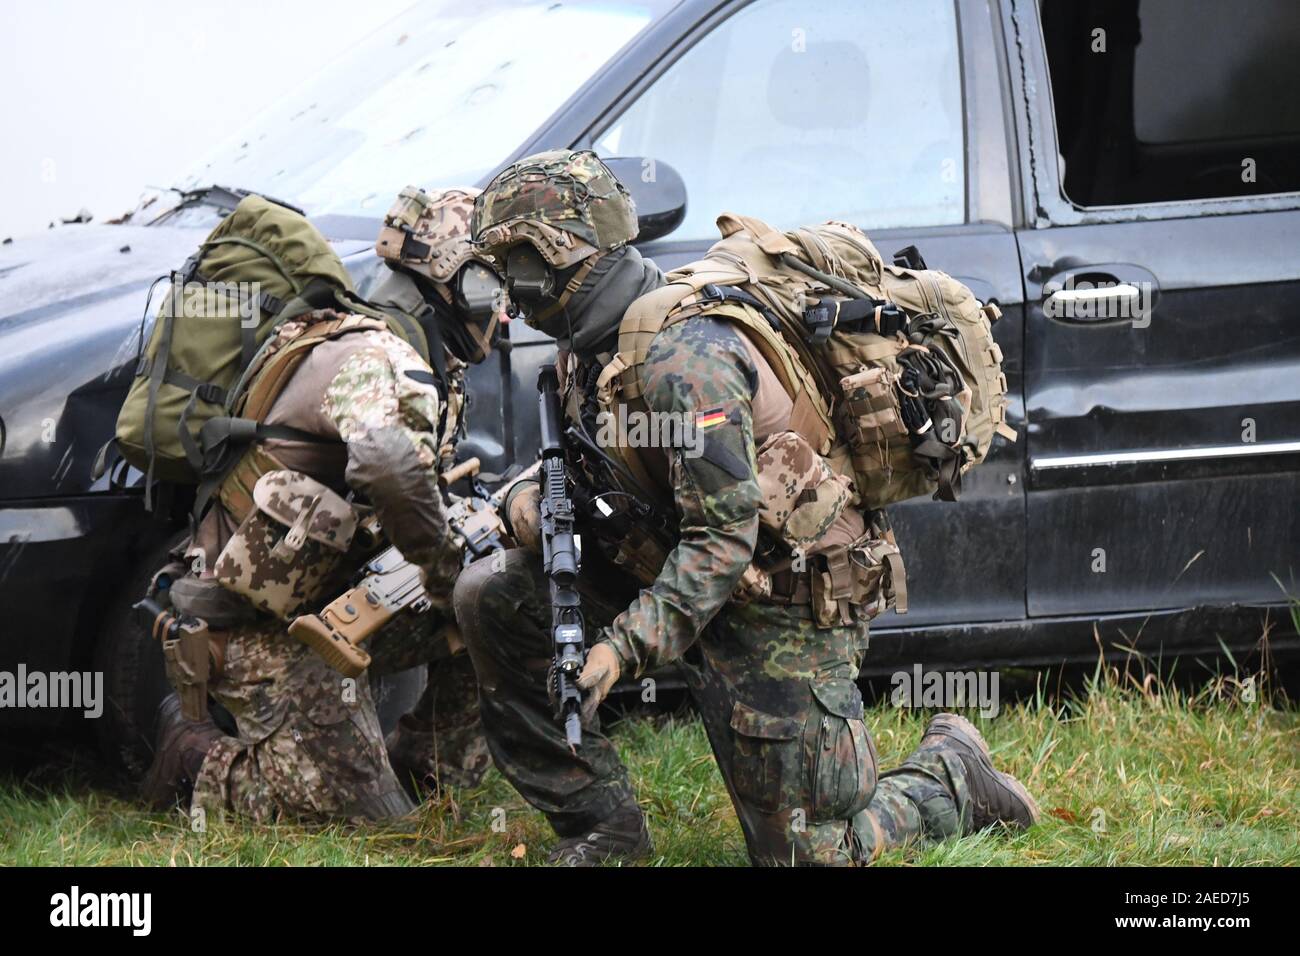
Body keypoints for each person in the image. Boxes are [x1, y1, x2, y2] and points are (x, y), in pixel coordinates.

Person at [454, 149, 1039, 865]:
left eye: (515, 271)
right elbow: (600, 470)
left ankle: (950, 771)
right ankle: (603, 833)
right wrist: (522, 499)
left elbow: (721, 543)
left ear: (565, 255)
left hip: (779, 599)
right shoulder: (595, 343)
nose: (509, 300)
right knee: (494, 595)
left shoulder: (682, 357)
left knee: (807, 855)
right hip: (675, 568)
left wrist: (618, 649)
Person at [141, 187, 502, 821]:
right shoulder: (376, 357)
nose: (506, 314)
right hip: (255, 631)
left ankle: (425, 766)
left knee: (503, 598)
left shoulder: (403, 351)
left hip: (321, 611)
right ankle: (195, 755)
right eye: (498, 289)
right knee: (368, 828)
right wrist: (448, 576)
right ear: (464, 286)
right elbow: (388, 465)